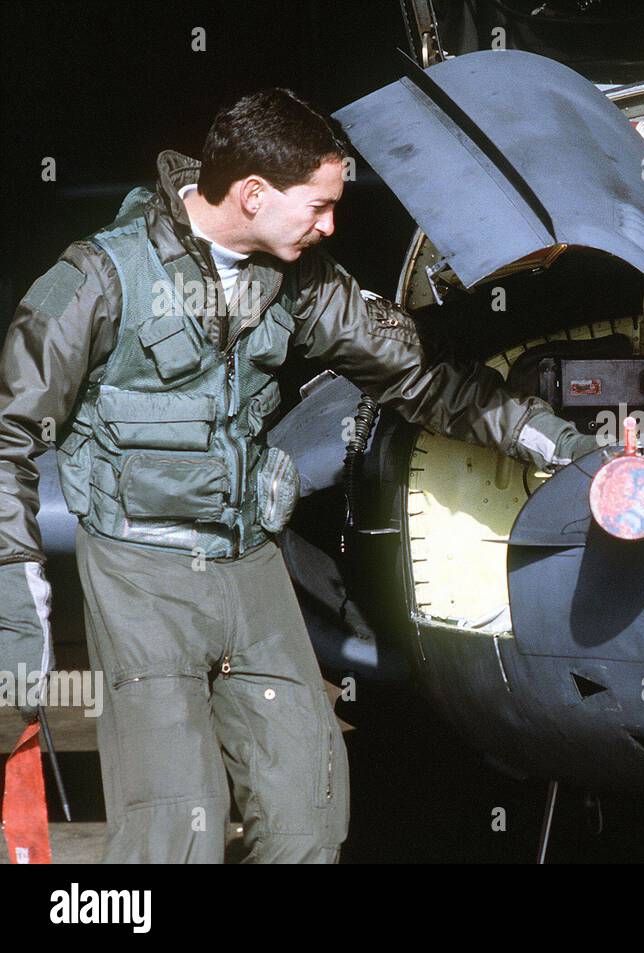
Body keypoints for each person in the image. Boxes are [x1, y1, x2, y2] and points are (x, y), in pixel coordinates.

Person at [0, 88, 596, 863]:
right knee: (175, 832)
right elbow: (8, 432)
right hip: (141, 573)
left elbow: (421, 377)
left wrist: (553, 439)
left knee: (308, 817)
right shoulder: (99, 279)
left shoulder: (303, 280)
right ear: (252, 193)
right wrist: (20, 590)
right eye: (319, 205)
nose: (331, 225)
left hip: (251, 566)